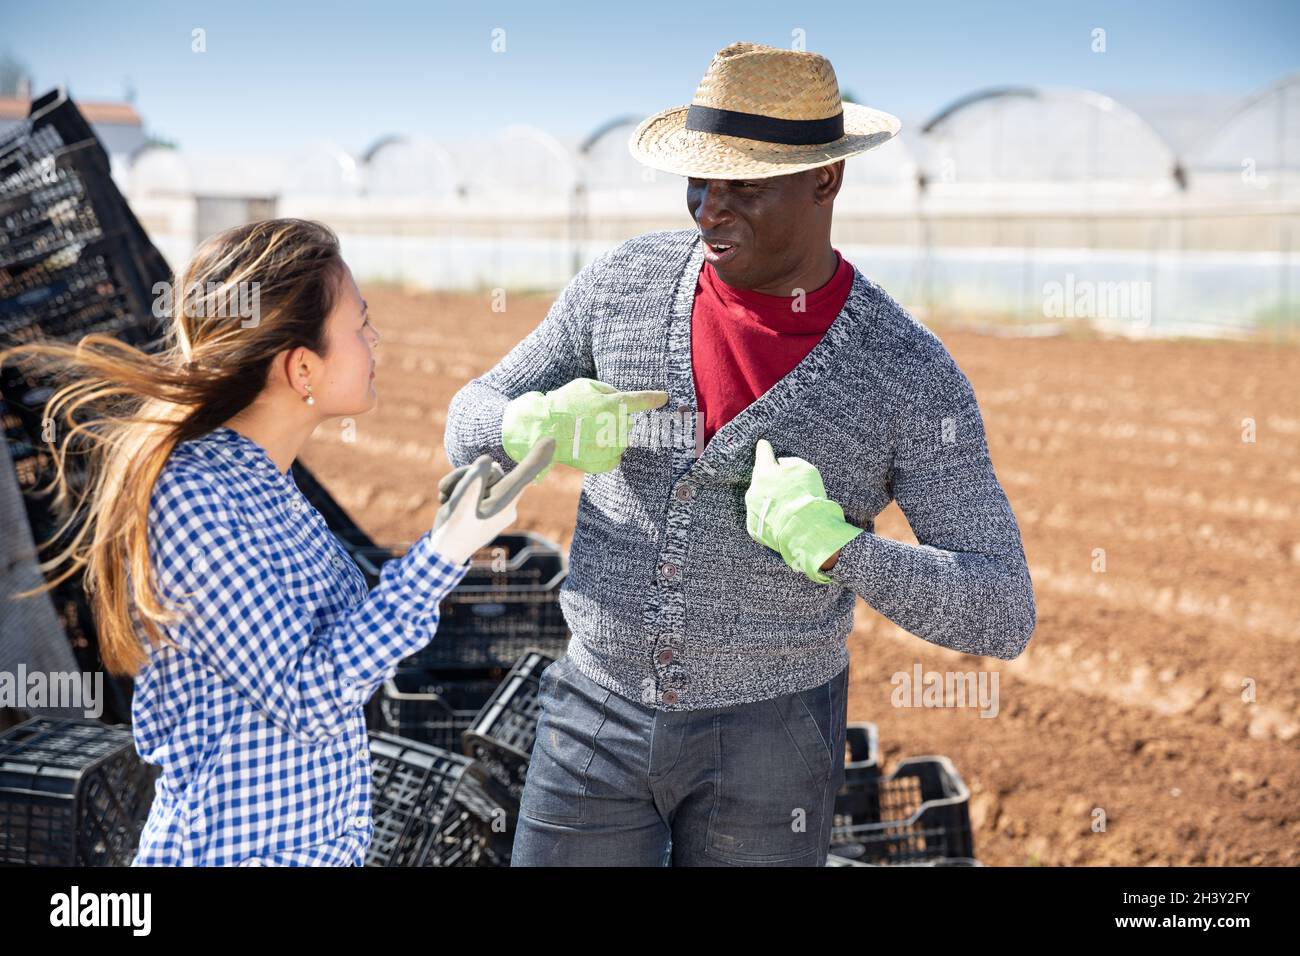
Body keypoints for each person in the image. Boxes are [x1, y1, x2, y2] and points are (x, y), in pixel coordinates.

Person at [444, 42, 1036, 866]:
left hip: (772, 739)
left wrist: (842, 550)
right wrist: (525, 427)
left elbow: (1003, 609)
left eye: (743, 186)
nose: (709, 209)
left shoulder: (907, 373)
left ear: (825, 178)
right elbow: (464, 417)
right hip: (593, 709)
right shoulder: (624, 286)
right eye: (700, 181)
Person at [0, 218, 553, 865]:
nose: (374, 339)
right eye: (359, 325)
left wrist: (454, 533)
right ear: (302, 368)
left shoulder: (266, 483)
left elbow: (335, 647)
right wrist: (444, 553)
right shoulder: (195, 497)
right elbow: (307, 693)